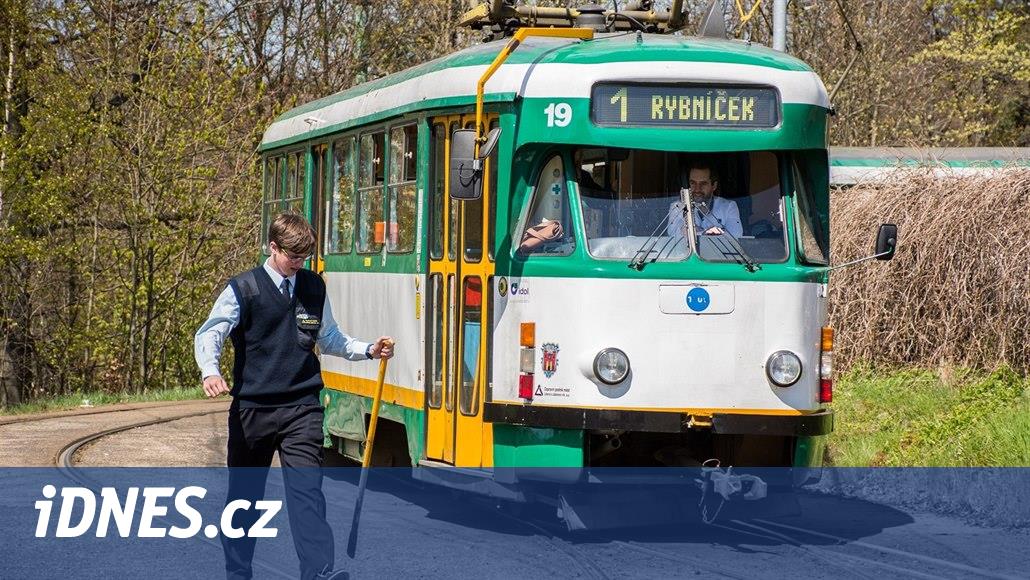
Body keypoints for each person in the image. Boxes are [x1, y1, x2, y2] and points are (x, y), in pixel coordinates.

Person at [194, 212, 394, 580]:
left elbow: (330, 337)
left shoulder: (313, 286)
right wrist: (211, 370)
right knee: (245, 501)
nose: (299, 264)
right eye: (293, 257)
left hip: (301, 408)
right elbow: (211, 333)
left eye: (305, 258)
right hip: (253, 410)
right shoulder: (244, 289)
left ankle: (318, 573)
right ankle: (238, 573)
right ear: (273, 247)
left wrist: (368, 350)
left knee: (307, 495)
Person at [666, 164, 743, 238]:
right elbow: (673, 234)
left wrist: (698, 231)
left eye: (703, 183)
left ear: (714, 186)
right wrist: (706, 232)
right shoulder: (677, 207)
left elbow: (736, 236)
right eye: (693, 183)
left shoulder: (728, 207)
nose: (697, 189)